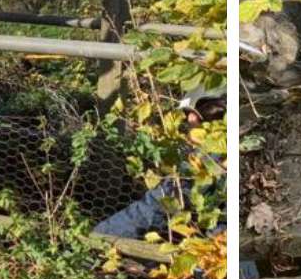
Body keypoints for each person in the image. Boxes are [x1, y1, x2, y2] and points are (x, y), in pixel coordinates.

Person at [94, 87, 227, 239]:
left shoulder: (204, 160)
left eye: (185, 117)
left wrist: (99, 238)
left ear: (193, 118)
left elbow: (154, 208)